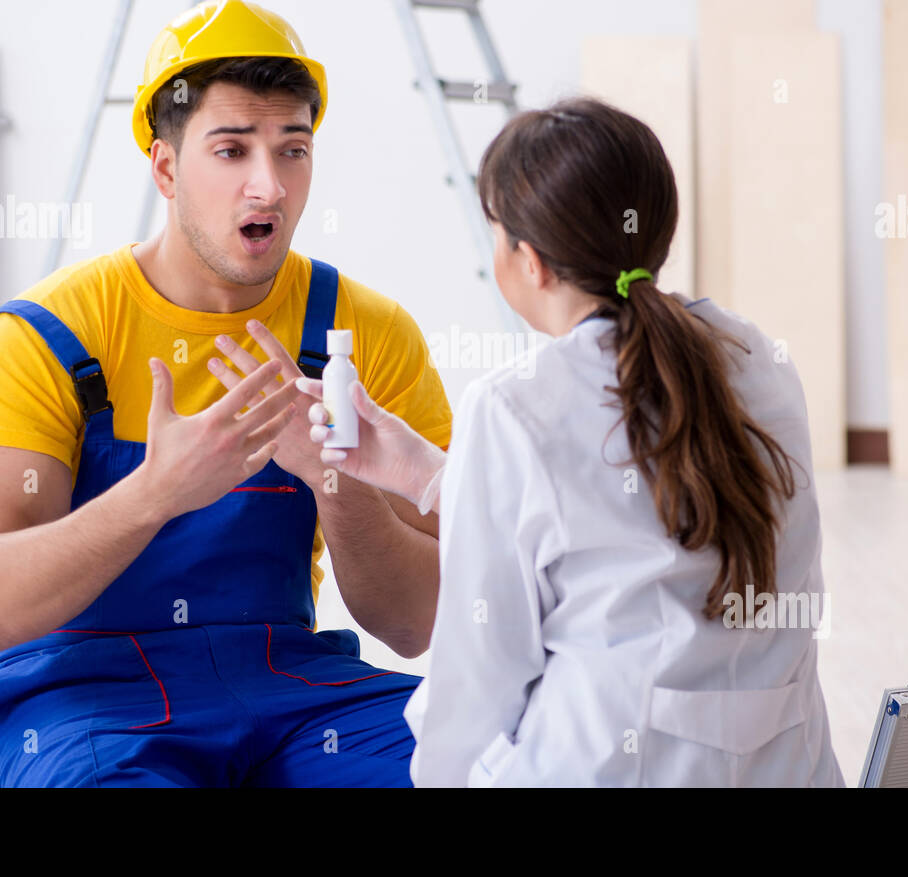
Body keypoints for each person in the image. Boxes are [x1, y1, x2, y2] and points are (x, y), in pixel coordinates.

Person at [0, 0, 451, 787]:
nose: (269, 186)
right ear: (167, 166)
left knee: (473, 758)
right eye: (231, 150)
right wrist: (155, 493)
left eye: (292, 150)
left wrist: (336, 482)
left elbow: (416, 625)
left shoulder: (366, 335)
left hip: (295, 690)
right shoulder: (47, 336)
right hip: (85, 705)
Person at [291, 96, 847, 786]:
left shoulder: (515, 404)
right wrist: (431, 472)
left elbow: (476, 681)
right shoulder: (758, 357)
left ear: (530, 261)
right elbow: (623, 527)